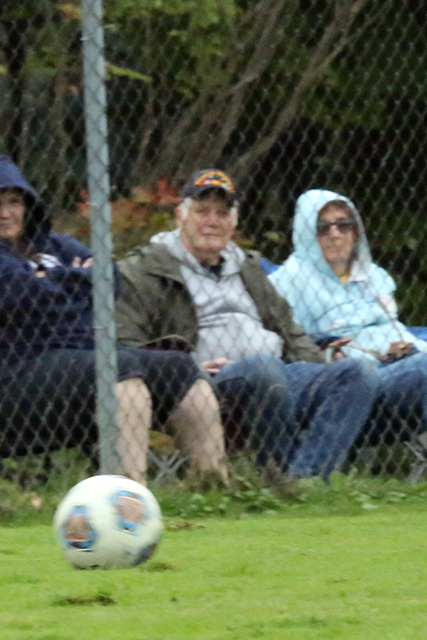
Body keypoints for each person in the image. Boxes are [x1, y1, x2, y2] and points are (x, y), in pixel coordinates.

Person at [0, 156, 228, 485]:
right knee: (118, 367)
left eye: (14, 202)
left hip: (68, 365)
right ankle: (128, 496)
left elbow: (110, 280)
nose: (6, 213)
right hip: (1, 382)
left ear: (28, 204)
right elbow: (30, 299)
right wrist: (76, 281)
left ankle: (214, 485)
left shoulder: (51, 245)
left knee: (180, 368)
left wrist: (55, 278)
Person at [115, 170, 377, 482]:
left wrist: (319, 369)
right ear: (180, 217)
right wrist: (186, 368)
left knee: (357, 372)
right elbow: (125, 345)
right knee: (262, 368)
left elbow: (291, 332)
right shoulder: (144, 269)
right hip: (205, 383)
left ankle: (306, 481)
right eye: (202, 211)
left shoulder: (247, 267)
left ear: (234, 222)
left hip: (280, 372)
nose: (212, 221)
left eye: (222, 213)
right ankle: (277, 476)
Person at [270, 190, 427, 481]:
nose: (335, 234)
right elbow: (291, 347)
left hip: (406, 369)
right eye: (323, 227)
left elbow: (394, 327)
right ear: (306, 232)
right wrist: (343, 353)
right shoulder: (288, 282)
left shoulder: (373, 276)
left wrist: (409, 348)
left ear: (355, 231)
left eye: (344, 225)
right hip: (358, 384)